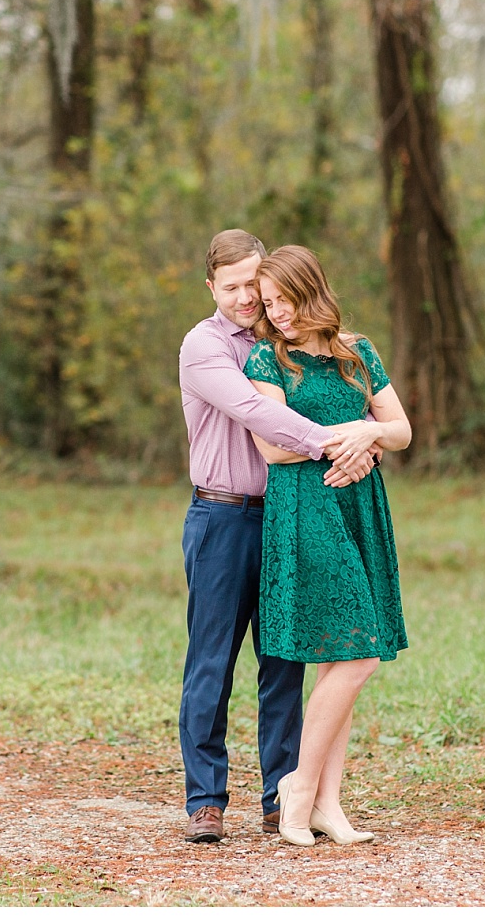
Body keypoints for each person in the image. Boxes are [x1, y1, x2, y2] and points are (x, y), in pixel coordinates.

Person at [176, 230, 383, 844]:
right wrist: (342, 443)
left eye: (254, 285)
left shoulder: (282, 341)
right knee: (212, 660)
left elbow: (344, 400)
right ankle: (206, 800)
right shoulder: (205, 345)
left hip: (287, 515)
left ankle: (281, 795)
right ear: (211, 287)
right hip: (223, 517)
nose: (246, 298)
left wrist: (367, 438)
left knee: (285, 660)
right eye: (232, 287)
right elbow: (258, 414)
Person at [243, 244, 411, 847]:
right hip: (306, 510)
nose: (277, 313)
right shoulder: (267, 359)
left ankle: (328, 804)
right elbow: (273, 447)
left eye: (284, 300)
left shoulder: (358, 352)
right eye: (268, 304)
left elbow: (401, 430)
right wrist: (354, 441)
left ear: (311, 291)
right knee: (358, 653)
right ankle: (300, 787)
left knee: (345, 655)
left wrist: (371, 432)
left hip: (358, 507)